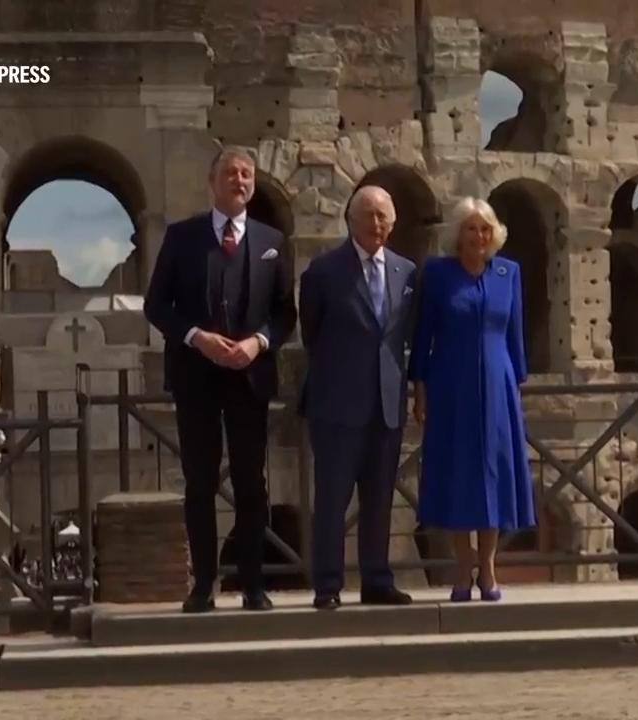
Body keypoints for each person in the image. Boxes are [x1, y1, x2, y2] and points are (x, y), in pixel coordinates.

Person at [144, 146, 298, 613]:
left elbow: (284, 312)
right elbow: (157, 305)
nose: (240, 180)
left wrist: (258, 344)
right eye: (230, 173)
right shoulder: (182, 237)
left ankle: (253, 585)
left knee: (253, 483)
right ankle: (204, 583)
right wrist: (196, 337)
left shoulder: (273, 240)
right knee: (199, 483)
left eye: (247, 174)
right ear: (212, 183)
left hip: (249, 378)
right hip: (197, 377)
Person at [408, 196, 535, 602]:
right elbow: (423, 336)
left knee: (495, 477)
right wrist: (420, 388)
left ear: (493, 233)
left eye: (484, 228)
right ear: (457, 234)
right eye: (470, 228)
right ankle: (462, 569)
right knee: (458, 476)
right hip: (451, 385)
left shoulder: (508, 272)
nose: (478, 235)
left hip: (498, 386)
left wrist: (518, 389)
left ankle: (490, 570)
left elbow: (516, 338)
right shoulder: (439, 274)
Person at [298, 185, 417, 610]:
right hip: (336, 404)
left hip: (386, 405)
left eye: (384, 216)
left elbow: (403, 336)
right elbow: (311, 332)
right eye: (369, 216)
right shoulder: (324, 272)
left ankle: (377, 580)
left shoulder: (406, 272)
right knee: (331, 499)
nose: (377, 224)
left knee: (380, 499)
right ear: (351, 220)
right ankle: (328, 585)